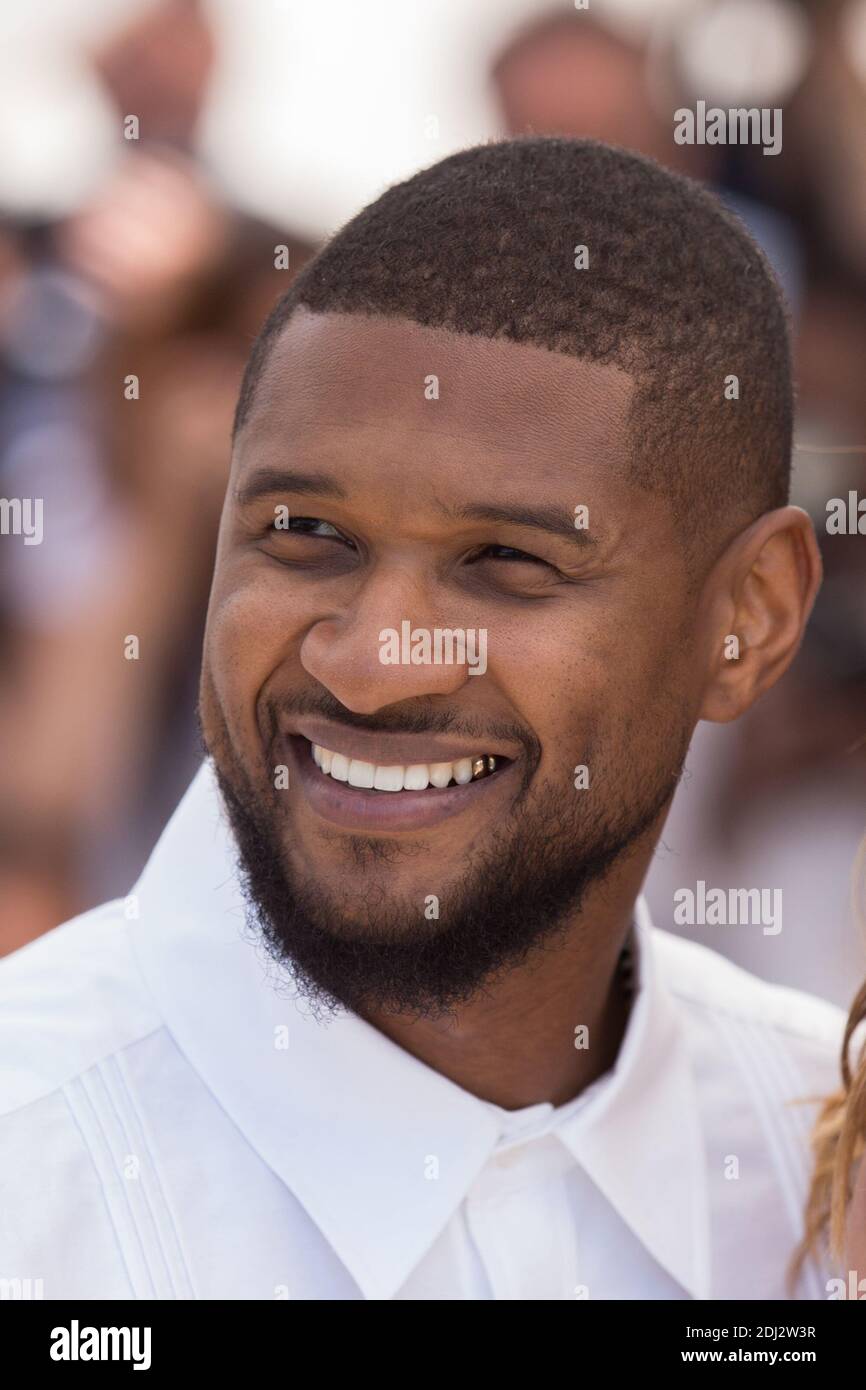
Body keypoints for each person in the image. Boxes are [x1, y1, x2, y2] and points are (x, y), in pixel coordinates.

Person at [0, 138, 848, 1300]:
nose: (370, 667)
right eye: (305, 533)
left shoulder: (818, 1163)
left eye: (505, 559)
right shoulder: (29, 1171)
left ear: (747, 618)